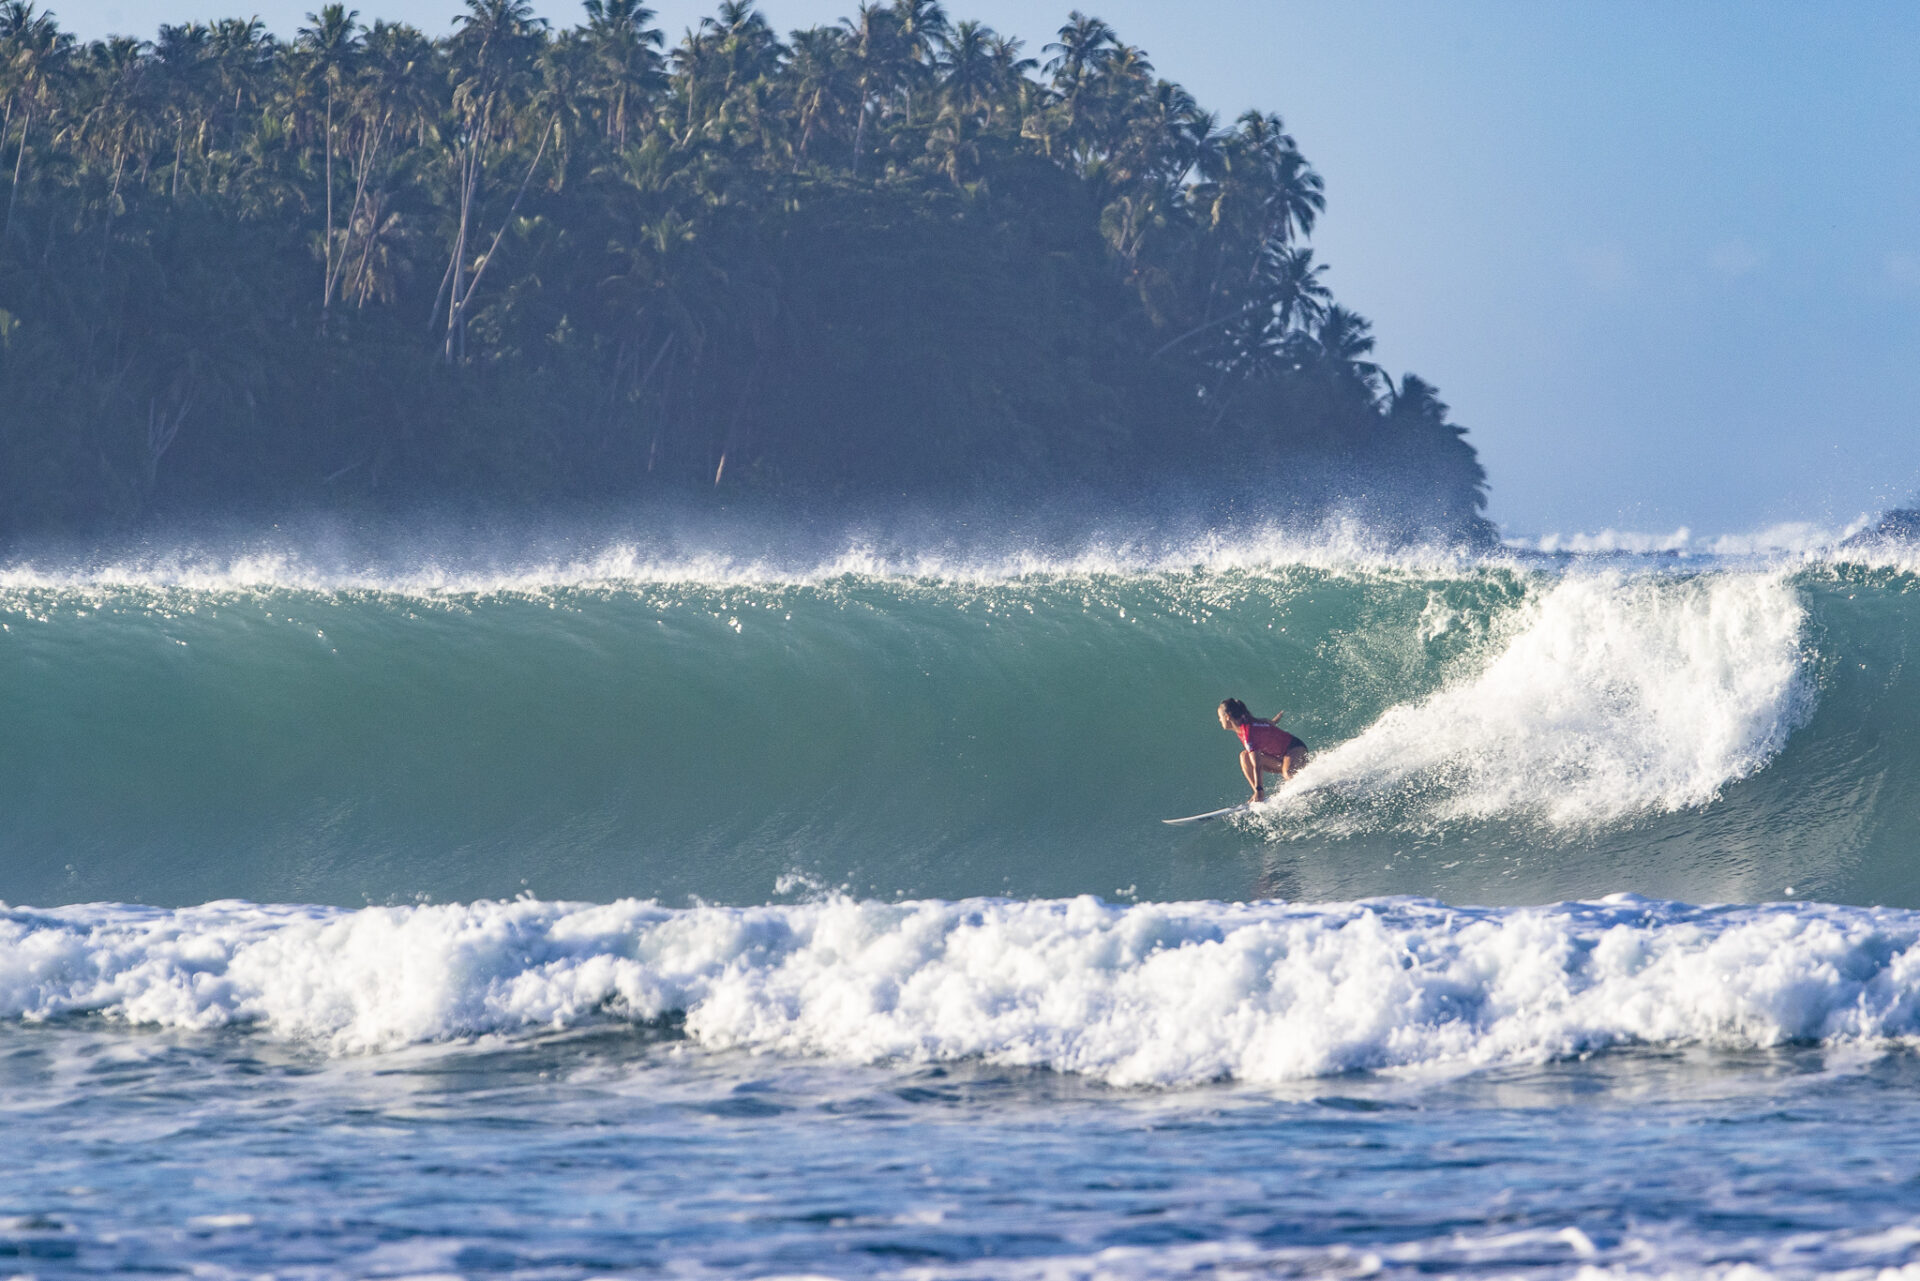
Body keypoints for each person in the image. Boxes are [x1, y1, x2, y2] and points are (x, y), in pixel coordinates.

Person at [1218, 697, 1308, 803]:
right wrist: (1273, 722)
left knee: (1288, 774)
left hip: (1295, 748)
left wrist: (1259, 788)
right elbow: (1267, 724)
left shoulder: (1248, 732)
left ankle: (1259, 792)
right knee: (1244, 756)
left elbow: (1257, 764)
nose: (1220, 720)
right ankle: (1258, 796)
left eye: (1220, 717)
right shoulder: (1247, 726)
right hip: (1280, 759)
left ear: (1227, 717)